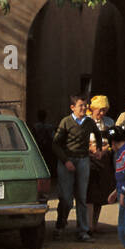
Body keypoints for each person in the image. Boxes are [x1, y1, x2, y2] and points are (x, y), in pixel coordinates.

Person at [52, 96, 92, 240]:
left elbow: (98, 136)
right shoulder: (65, 122)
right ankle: (60, 224)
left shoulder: (88, 122)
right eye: (80, 105)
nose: (83, 108)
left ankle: (83, 231)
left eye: (85, 106)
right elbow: (55, 144)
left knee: (82, 197)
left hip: (83, 160)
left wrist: (98, 149)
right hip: (66, 162)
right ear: (72, 107)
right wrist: (66, 161)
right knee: (66, 198)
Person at [84, 96, 116, 231]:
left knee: (101, 194)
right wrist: (91, 149)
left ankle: (94, 224)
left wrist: (104, 150)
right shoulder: (85, 122)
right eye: (99, 110)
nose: (101, 113)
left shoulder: (109, 122)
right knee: (90, 193)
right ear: (92, 108)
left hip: (104, 159)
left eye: (104, 110)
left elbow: (113, 140)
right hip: (89, 159)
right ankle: (88, 225)